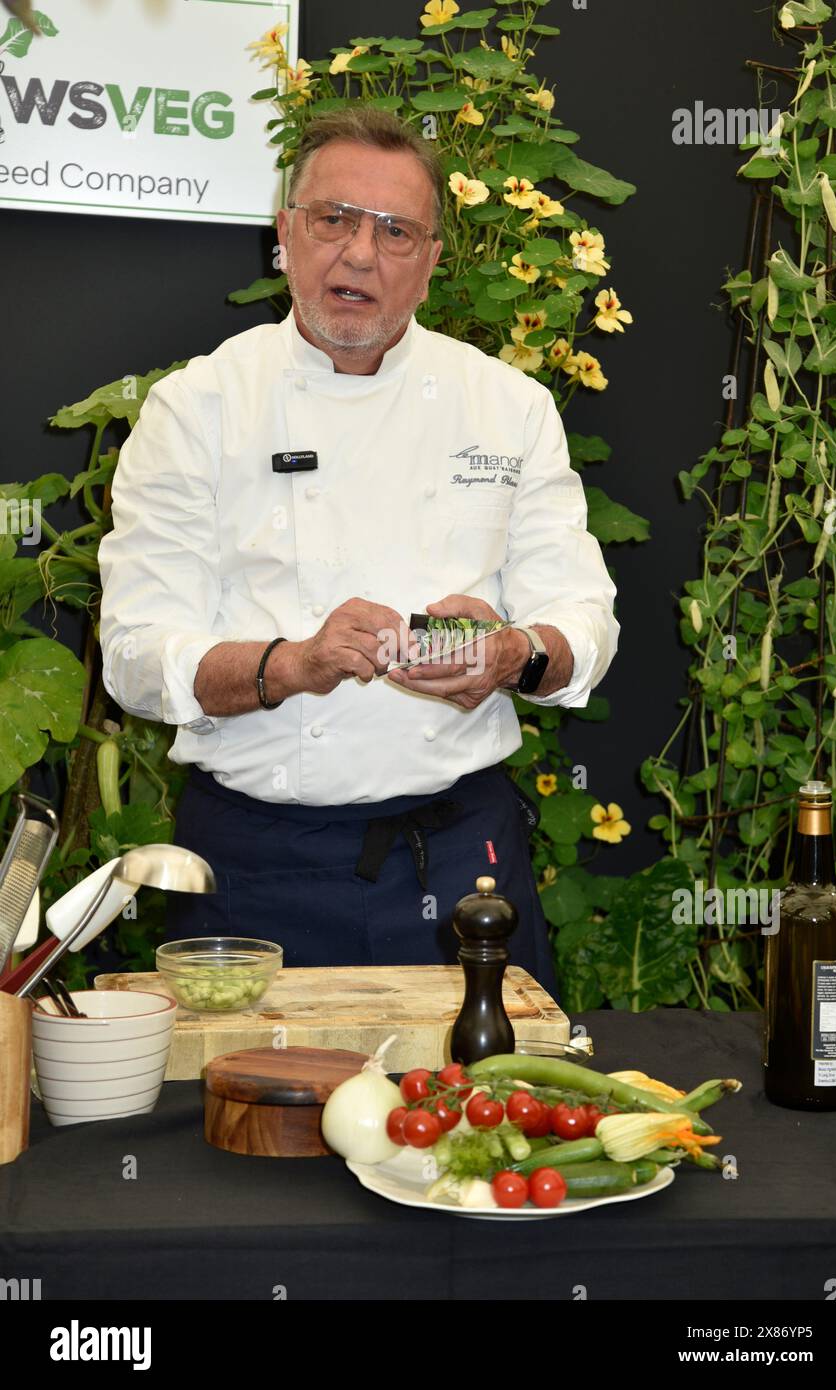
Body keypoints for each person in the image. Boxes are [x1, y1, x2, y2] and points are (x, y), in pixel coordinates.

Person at [97, 106, 620, 1002]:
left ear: (430, 262)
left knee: (478, 1116)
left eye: (395, 231)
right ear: (286, 233)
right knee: (242, 1130)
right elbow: (137, 659)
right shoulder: (198, 409)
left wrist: (512, 651)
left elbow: (583, 619)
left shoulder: (508, 406)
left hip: (461, 856)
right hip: (256, 861)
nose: (359, 253)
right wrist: (291, 665)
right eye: (332, 219)